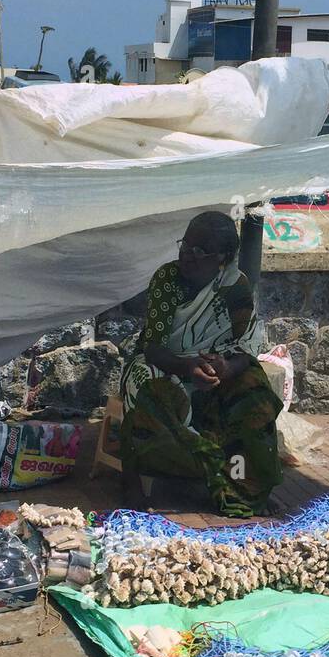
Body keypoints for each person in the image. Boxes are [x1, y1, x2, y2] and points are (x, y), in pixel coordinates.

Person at [118, 210, 283, 517]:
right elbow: (153, 348)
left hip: (215, 366)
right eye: (185, 246)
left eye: (199, 251)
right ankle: (132, 481)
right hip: (167, 362)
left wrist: (227, 368)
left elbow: (245, 347)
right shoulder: (168, 279)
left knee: (254, 392)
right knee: (144, 384)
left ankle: (248, 488)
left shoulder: (236, 287)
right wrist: (187, 367)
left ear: (224, 258)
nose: (187, 256)